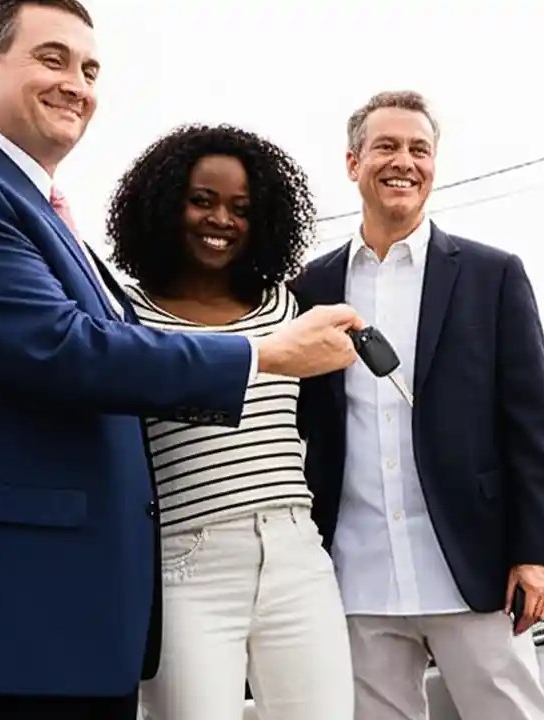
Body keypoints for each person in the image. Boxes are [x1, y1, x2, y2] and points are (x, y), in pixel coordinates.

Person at [0, 2, 363, 718]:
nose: (77, 84)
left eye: (90, 70)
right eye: (52, 58)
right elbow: (62, 348)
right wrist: (264, 354)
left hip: (74, 629)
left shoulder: (46, 216)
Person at [291, 90, 544, 720]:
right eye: (386, 146)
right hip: (356, 569)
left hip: (472, 563)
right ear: (353, 162)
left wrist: (537, 553)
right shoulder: (311, 286)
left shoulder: (493, 275)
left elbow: (531, 426)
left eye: (419, 149)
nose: (404, 162)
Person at [105, 124, 354, 720]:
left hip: (297, 553)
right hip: (185, 564)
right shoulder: (123, 314)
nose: (222, 219)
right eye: (202, 200)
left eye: (241, 208)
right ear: (166, 204)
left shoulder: (285, 305)